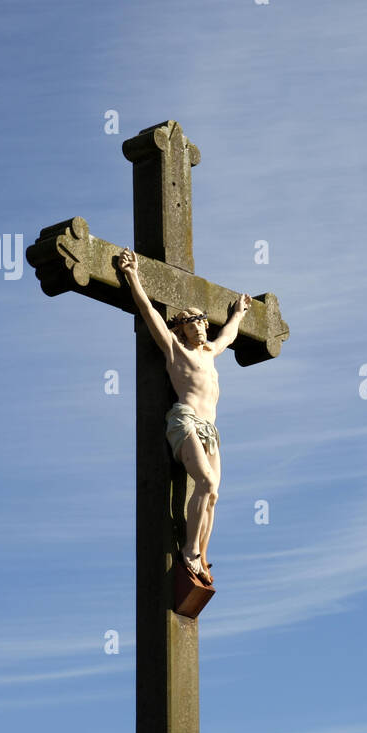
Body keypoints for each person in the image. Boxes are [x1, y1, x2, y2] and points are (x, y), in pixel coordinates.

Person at [117, 247, 250, 587]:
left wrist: (239, 313)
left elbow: (229, 335)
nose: (201, 330)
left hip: (210, 429)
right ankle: (189, 551)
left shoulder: (210, 352)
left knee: (214, 493)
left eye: (202, 323)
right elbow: (148, 311)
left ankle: (201, 554)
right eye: (193, 325)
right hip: (186, 420)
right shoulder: (175, 350)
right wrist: (133, 275)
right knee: (205, 483)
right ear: (182, 330)